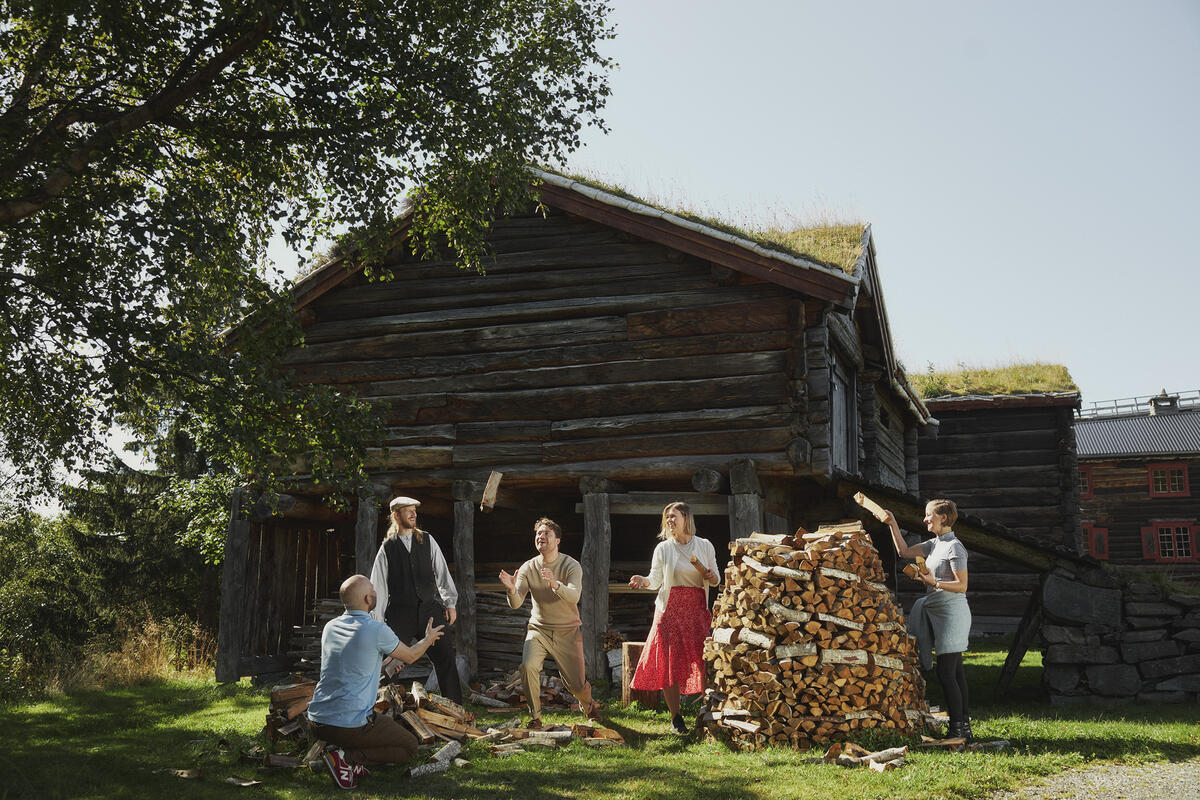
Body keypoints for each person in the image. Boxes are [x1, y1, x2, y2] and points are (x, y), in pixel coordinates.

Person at [307, 574, 444, 790]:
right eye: (372, 589)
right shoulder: (376, 629)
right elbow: (409, 656)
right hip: (348, 725)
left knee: (379, 727)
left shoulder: (331, 627)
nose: (376, 592)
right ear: (368, 600)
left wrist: (385, 667)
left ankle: (346, 758)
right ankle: (347, 759)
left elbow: (351, 666)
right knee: (409, 745)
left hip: (317, 722)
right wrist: (428, 640)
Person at [499, 516, 602, 728]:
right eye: (538, 533)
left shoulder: (571, 565)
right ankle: (535, 717)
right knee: (527, 666)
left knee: (576, 685)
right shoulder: (528, 567)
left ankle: (588, 704)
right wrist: (510, 590)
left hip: (568, 631)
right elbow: (516, 603)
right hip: (538, 630)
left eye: (546, 533)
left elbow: (574, 596)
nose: (541, 536)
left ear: (557, 541)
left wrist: (555, 584)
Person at [883, 498, 973, 740]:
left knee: (947, 672)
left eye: (928, 515)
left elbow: (962, 585)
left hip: (952, 613)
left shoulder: (955, 546)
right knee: (956, 672)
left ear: (943, 518)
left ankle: (957, 727)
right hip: (936, 610)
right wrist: (892, 523)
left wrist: (933, 582)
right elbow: (903, 552)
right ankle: (963, 726)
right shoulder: (934, 545)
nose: (924, 519)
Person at [628, 501, 720, 734]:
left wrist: (710, 576)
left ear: (686, 518)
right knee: (669, 661)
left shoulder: (705, 545)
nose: (669, 521)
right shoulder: (663, 549)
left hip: (695, 608)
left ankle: (708, 713)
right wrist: (643, 580)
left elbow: (716, 579)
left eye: (673, 516)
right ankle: (676, 717)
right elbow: (655, 579)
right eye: (667, 517)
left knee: (702, 660)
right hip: (669, 609)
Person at [369, 495, 463, 703]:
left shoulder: (427, 540)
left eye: (414, 510)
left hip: (430, 610)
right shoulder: (387, 548)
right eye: (408, 510)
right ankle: (376, 706)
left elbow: (442, 572)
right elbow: (379, 588)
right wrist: (377, 623)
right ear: (396, 515)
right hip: (400, 613)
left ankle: (456, 708)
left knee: (446, 656)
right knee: (386, 661)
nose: (414, 514)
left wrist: (450, 603)